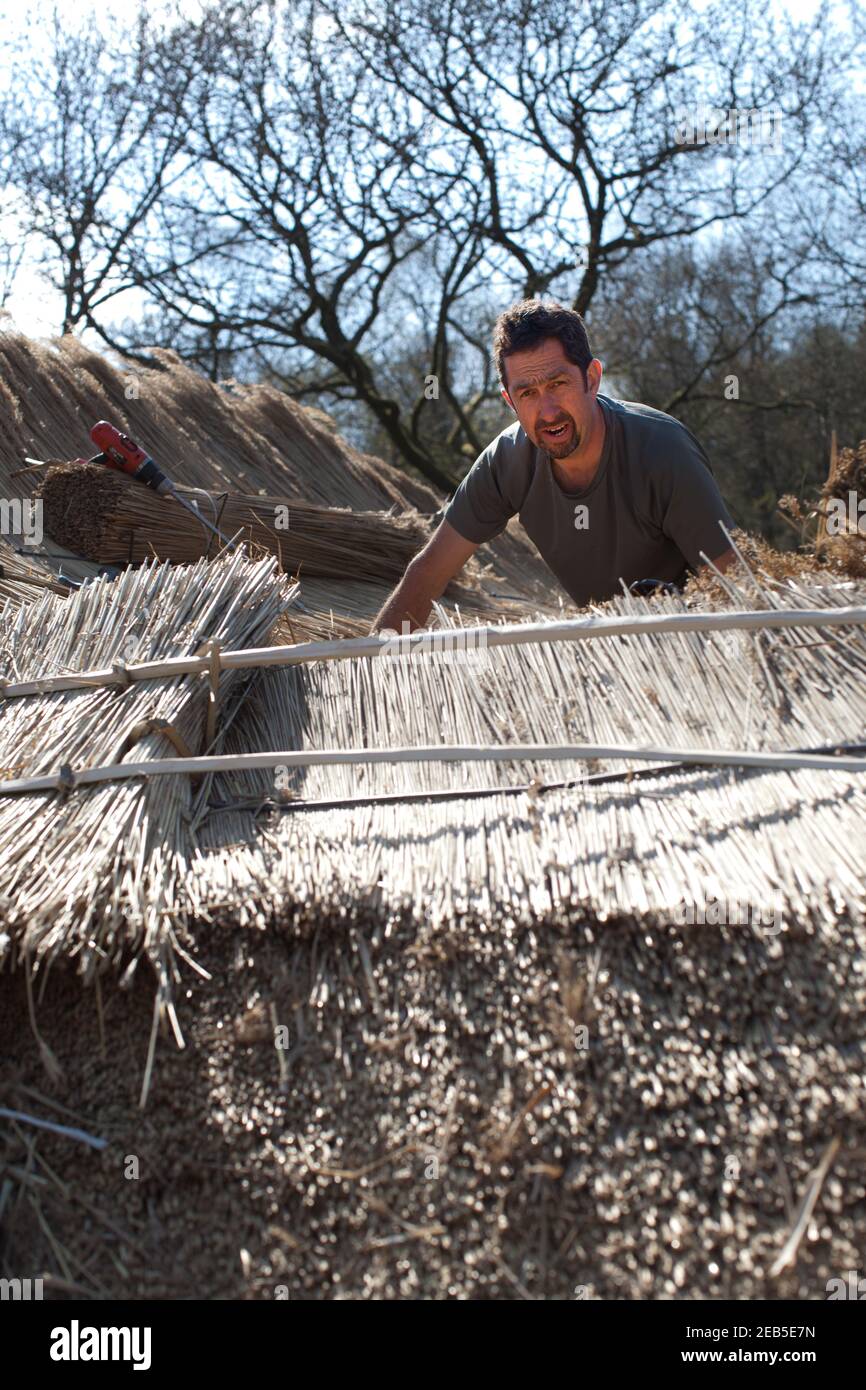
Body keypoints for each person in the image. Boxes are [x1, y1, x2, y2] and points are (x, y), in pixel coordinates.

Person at [372, 298, 736, 633]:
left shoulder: (662, 451)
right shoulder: (506, 463)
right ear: (509, 401)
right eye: (527, 393)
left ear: (591, 379)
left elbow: (735, 582)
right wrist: (374, 672)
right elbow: (429, 572)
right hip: (606, 645)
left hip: (694, 634)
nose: (547, 412)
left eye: (558, 384)